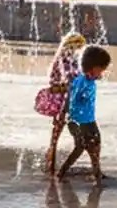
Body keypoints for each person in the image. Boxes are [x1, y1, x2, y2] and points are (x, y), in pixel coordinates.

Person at [58, 44, 112, 183]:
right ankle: (63, 172)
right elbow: (71, 98)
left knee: (91, 144)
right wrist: (65, 115)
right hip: (80, 121)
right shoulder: (82, 82)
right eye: (101, 70)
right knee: (85, 145)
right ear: (93, 68)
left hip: (85, 120)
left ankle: (96, 172)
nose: (102, 73)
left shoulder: (87, 80)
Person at [41, 32, 86, 174]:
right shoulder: (64, 59)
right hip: (63, 101)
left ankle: (52, 164)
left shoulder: (67, 59)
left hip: (65, 99)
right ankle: (54, 167)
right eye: (78, 46)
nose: (79, 50)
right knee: (58, 134)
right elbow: (70, 80)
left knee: (56, 136)